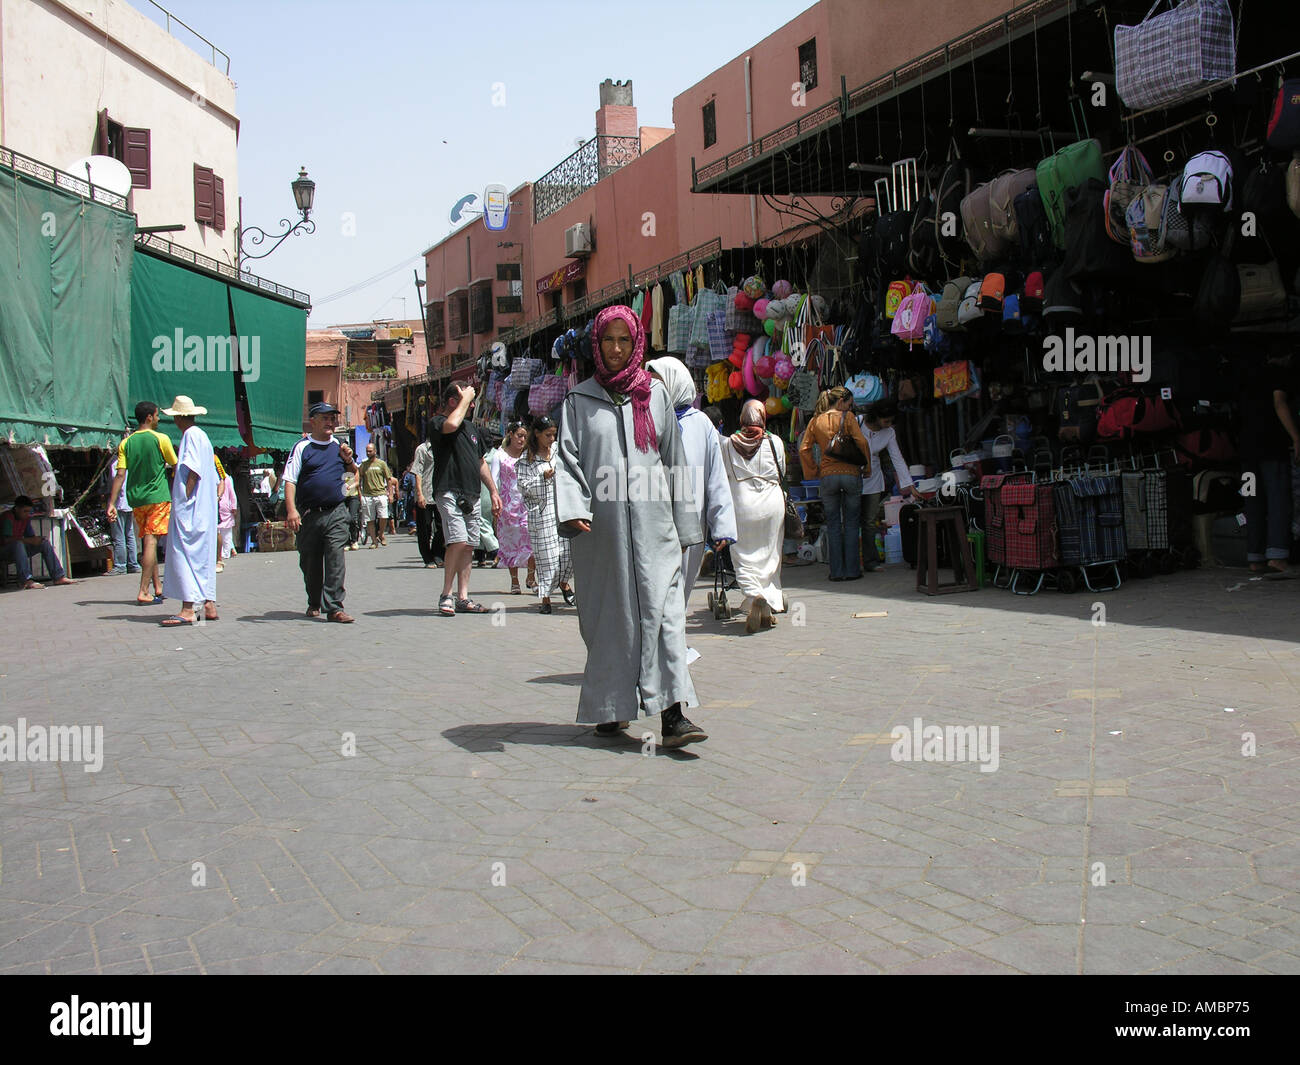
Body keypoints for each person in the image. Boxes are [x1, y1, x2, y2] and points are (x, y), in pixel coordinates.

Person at [555, 305, 706, 748]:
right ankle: (611, 706)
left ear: (637, 342)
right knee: (610, 620)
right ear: (596, 346)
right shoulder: (578, 401)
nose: (617, 349)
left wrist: (688, 526)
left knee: (665, 617)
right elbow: (567, 461)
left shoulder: (654, 396)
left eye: (625, 340)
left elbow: (675, 462)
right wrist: (572, 508)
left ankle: (674, 717)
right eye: (608, 341)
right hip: (601, 537)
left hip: (656, 532)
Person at [646, 356, 737, 641]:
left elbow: (716, 479)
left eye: (658, 382)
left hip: (691, 525)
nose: (652, 389)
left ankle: (672, 649)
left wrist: (722, 524)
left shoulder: (702, 426)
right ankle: (657, 652)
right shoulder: (643, 420)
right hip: (651, 521)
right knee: (653, 590)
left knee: (681, 589)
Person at [427, 381, 502, 616]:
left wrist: (493, 490)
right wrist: (467, 397)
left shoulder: (471, 429)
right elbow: (451, 424)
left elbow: (480, 462)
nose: (471, 405)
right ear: (453, 401)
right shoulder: (438, 422)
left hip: (472, 492)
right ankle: (445, 594)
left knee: (469, 544)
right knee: (458, 540)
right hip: (449, 489)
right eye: (466, 401)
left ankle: (463, 596)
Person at [283, 402, 359, 622]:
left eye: (332, 419)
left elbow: (352, 476)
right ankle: (314, 600)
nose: (330, 423)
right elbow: (290, 480)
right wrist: (292, 511)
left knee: (336, 557)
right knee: (310, 562)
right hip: (309, 514)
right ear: (313, 421)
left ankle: (334, 607)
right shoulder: (302, 447)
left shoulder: (340, 446)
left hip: (336, 512)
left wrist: (349, 465)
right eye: (325, 418)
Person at [718, 398, 788, 632]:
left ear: (742, 419)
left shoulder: (727, 444)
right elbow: (783, 470)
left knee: (743, 554)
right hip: (772, 503)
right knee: (770, 554)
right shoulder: (775, 442)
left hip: (742, 504)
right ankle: (767, 597)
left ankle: (754, 595)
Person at [107, 400, 177, 605]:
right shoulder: (161, 438)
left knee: (148, 540)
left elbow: (120, 475)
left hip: (136, 499)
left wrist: (111, 503)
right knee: (151, 541)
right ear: (149, 417)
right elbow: (175, 464)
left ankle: (157, 586)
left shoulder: (126, 443)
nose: (158, 418)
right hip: (158, 497)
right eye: (156, 415)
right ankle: (143, 589)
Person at [800, 385, 872, 581]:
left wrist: (812, 471)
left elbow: (804, 449)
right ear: (841, 402)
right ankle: (852, 571)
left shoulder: (815, 421)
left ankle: (836, 572)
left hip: (828, 476)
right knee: (851, 523)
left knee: (832, 524)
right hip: (850, 474)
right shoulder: (847, 418)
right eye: (848, 404)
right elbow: (862, 443)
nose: (850, 408)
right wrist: (866, 467)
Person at [1239, 352, 1300, 578]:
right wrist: (1296, 437)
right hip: (1271, 448)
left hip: (1246, 452)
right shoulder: (1280, 375)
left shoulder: (1247, 375)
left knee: (1252, 501)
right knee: (1278, 500)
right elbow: (1279, 402)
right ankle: (1277, 557)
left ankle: (1254, 557)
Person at [159, 396, 218, 626]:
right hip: (202, 508)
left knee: (185, 554)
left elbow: (193, 471)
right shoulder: (202, 436)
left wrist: (184, 498)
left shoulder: (191, 435)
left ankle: (188, 609)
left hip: (192, 509)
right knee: (201, 556)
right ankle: (208, 604)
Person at [517, 418, 573, 614]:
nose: (551, 438)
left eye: (553, 434)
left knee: (567, 554)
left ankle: (565, 583)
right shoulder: (527, 459)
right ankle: (546, 598)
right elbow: (523, 487)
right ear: (537, 434)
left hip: (564, 509)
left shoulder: (559, 451)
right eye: (547, 435)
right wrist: (543, 477)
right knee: (547, 558)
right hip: (541, 513)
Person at [857, 399, 919, 572]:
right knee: (851, 519)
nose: (888, 424)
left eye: (891, 421)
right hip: (852, 474)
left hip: (873, 478)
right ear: (876, 416)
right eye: (886, 420)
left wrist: (910, 485)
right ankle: (852, 561)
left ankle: (871, 561)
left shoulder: (889, 432)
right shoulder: (857, 422)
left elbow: (897, 458)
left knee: (869, 521)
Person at [492, 422, 535, 594]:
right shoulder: (499, 455)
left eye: (525, 436)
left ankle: (531, 577)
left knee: (531, 540)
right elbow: (494, 479)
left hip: (527, 504)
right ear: (510, 434)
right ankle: (514, 581)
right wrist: (495, 501)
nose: (522, 439)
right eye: (519, 435)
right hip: (508, 507)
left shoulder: (529, 455)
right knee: (510, 543)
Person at [1, 496, 77, 589]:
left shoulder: (26, 519)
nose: (27, 514)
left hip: (18, 550)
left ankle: (58, 577)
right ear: (16, 509)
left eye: (29, 511)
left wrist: (37, 540)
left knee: (44, 543)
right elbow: (6, 540)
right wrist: (28, 540)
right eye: (25, 511)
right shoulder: (7, 517)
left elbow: (30, 537)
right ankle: (26, 580)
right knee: (18, 544)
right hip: (4, 550)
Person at [105, 428, 140, 576]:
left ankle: (120, 564)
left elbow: (117, 479)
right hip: (131, 501)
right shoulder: (134, 460)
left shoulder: (118, 462)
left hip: (120, 502)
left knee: (119, 535)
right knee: (129, 533)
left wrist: (110, 502)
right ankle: (133, 563)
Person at [411, 437, 441, 567]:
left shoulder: (443, 447)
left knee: (442, 527)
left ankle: (438, 553)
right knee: (425, 527)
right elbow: (417, 472)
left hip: (440, 494)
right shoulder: (422, 449)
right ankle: (427, 557)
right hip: (426, 493)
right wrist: (419, 494)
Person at [358, 443, 392, 548]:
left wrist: (390, 493)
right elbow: (358, 480)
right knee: (370, 519)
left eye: (370, 451)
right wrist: (360, 495)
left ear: (375, 451)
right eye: (367, 451)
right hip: (368, 495)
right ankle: (374, 541)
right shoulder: (363, 465)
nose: (368, 453)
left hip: (381, 494)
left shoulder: (381, 464)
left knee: (384, 516)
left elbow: (389, 479)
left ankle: (381, 534)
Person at [216, 457, 238, 573]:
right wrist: (234, 507)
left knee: (219, 531)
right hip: (226, 506)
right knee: (227, 533)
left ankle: (223, 553)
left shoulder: (216, 478)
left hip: (218, 505)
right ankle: (226, 552)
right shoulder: (227, 479)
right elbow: (232, 493)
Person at [340, 444, 361, 550]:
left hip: (353, 495)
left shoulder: (354, 468)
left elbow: (357, 482)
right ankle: (346, 541)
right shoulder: (339, 469)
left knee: (352, 518)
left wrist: (350, 486)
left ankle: (354, 540)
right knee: (344, 519)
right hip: (342, 496)